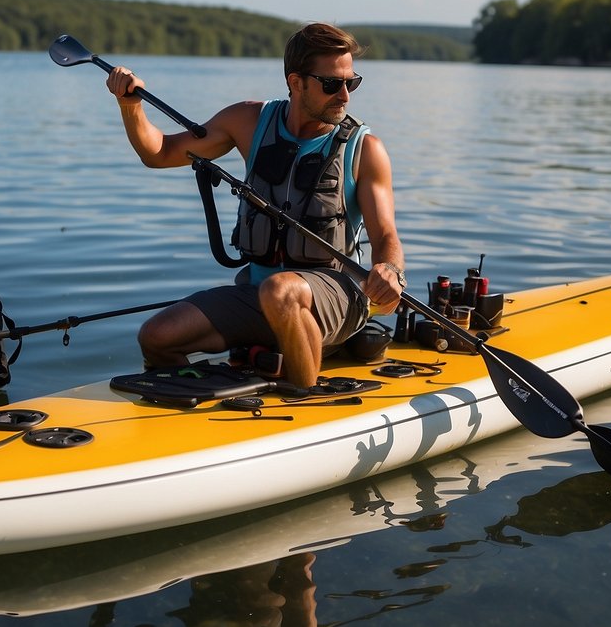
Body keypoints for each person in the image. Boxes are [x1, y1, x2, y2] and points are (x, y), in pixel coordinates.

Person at [106, 23, 405, 388]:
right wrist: (130, 105)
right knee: (157, 336)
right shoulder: (248, 122)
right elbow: (161, 153)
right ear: (296, 82)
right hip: (259, 294)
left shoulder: (366, 149)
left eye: (351, 83)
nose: (344, 95)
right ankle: (211, 393)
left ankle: (304, 393)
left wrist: (389, 270)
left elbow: (385, 235)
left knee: (280, 291)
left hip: (337, 297)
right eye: (331, 84)